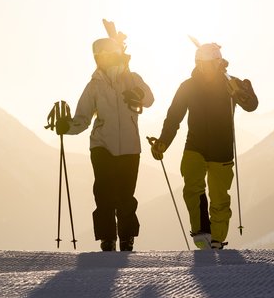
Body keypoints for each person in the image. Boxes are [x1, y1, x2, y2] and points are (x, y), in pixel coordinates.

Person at [150, 42, 257, 250]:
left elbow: (251, 106)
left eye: (207, 64)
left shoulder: (231, 84)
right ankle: (202, 234)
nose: (203, 68)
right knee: (192, 188)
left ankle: (216, 240)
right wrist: (163, 142)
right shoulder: (188, 86)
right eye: (200, 63)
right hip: (195, 147)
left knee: (219, 200)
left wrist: (244, 95)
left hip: (221, 151)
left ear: (218, 63)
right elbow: (174, 117)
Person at [55, 36, 154, 252]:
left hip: (129, 147)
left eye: (103, 55)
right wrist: (66, 127)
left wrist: (138, 94)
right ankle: (108, 239)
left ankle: (126, 238)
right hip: (101, 145)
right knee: (104, 193)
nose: (100, 59)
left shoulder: (132, 78)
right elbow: (82, 119)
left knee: (125, 195)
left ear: (112, 54)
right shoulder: (94, 86)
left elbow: (149, 99)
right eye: (98, 56)